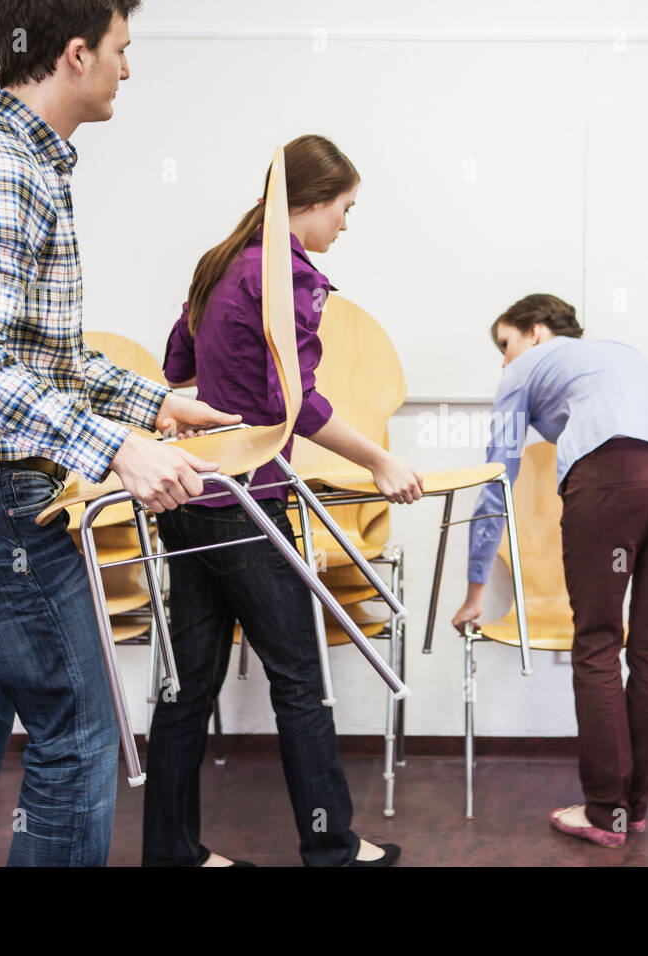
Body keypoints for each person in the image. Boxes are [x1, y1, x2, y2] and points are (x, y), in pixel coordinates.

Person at [0, 0, 241, 867]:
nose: (127, 69)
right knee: (77, 732)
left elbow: (38, 355)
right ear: (75, 54)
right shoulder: (1, 170)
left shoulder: (20, 161)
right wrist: (113, 447)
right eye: (121, 49)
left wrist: (153, 403)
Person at [143, 134, 423, 867]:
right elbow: (297, 404)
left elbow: (177, 366)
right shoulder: (289, 275)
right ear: (308, 203)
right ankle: (331, 847)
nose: (345, 225)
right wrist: (381, 460)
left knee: (187, 689)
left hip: (188, 497)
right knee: (300, 680)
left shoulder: (220, 262)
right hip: (248, 505)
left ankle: (172, 854)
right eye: (344, 208)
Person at [451, 294, 648, 848]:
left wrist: (476, 592)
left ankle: (604, 812)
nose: (503, 360)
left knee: (595, 641)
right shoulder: (618, 353)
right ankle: (632, 809)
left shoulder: (525, 369)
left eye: (505, 343)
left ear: (536, 331)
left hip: (615, 473)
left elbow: (498, 483)